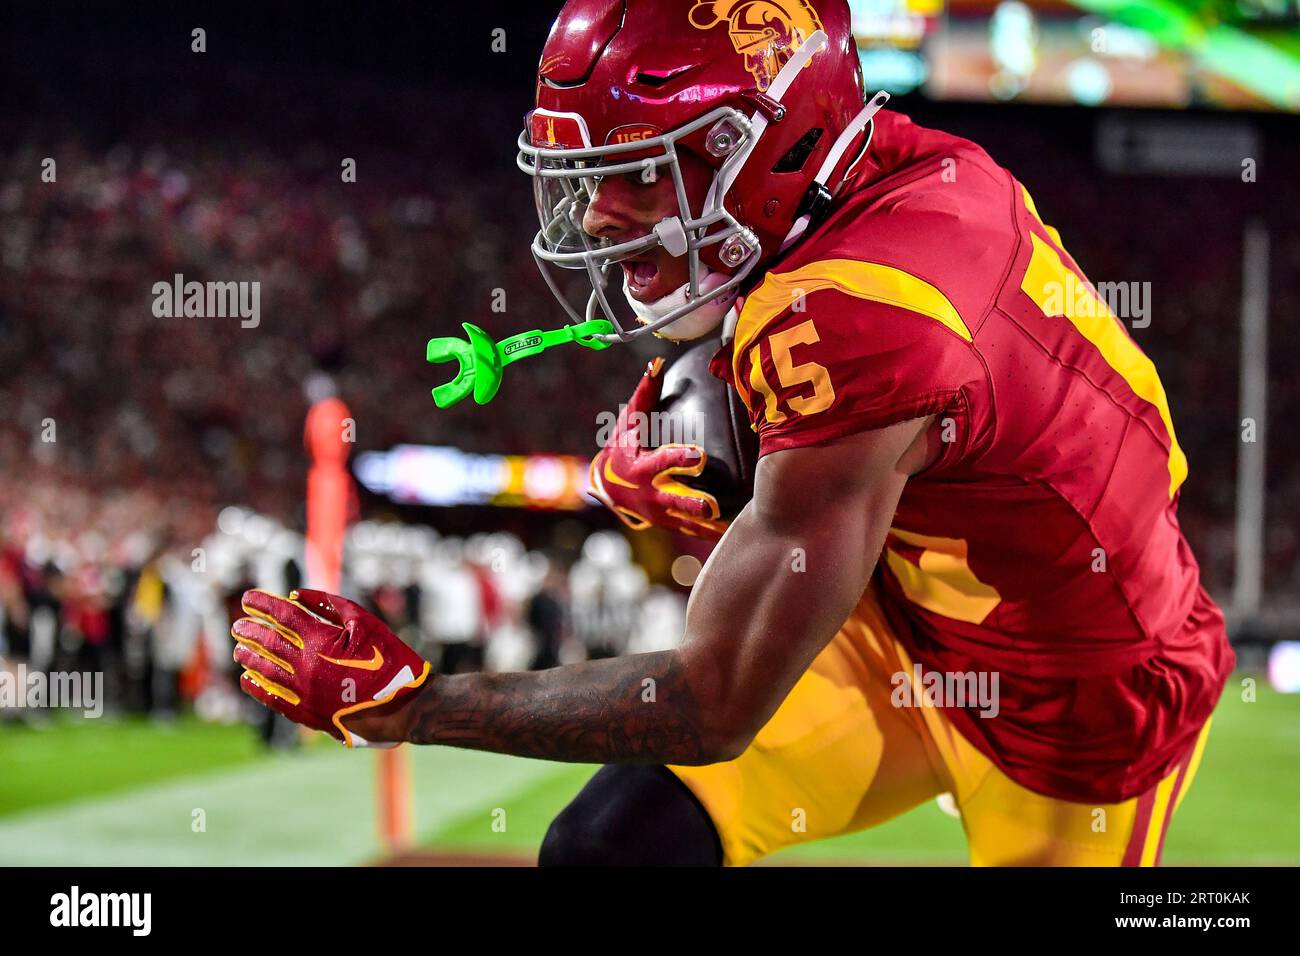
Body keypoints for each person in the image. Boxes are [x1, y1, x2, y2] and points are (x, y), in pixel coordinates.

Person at [231, 0, 1234, 866]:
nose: (597, 213)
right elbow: (812, 470)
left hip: (1073, 701)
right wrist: (692, 482)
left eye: (640, 172)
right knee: (608, 847)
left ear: (765, 141)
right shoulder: (873, 178)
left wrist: (417, 705)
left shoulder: (862, 313)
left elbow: (712, 700)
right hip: (907, 624)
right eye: (593, 173)